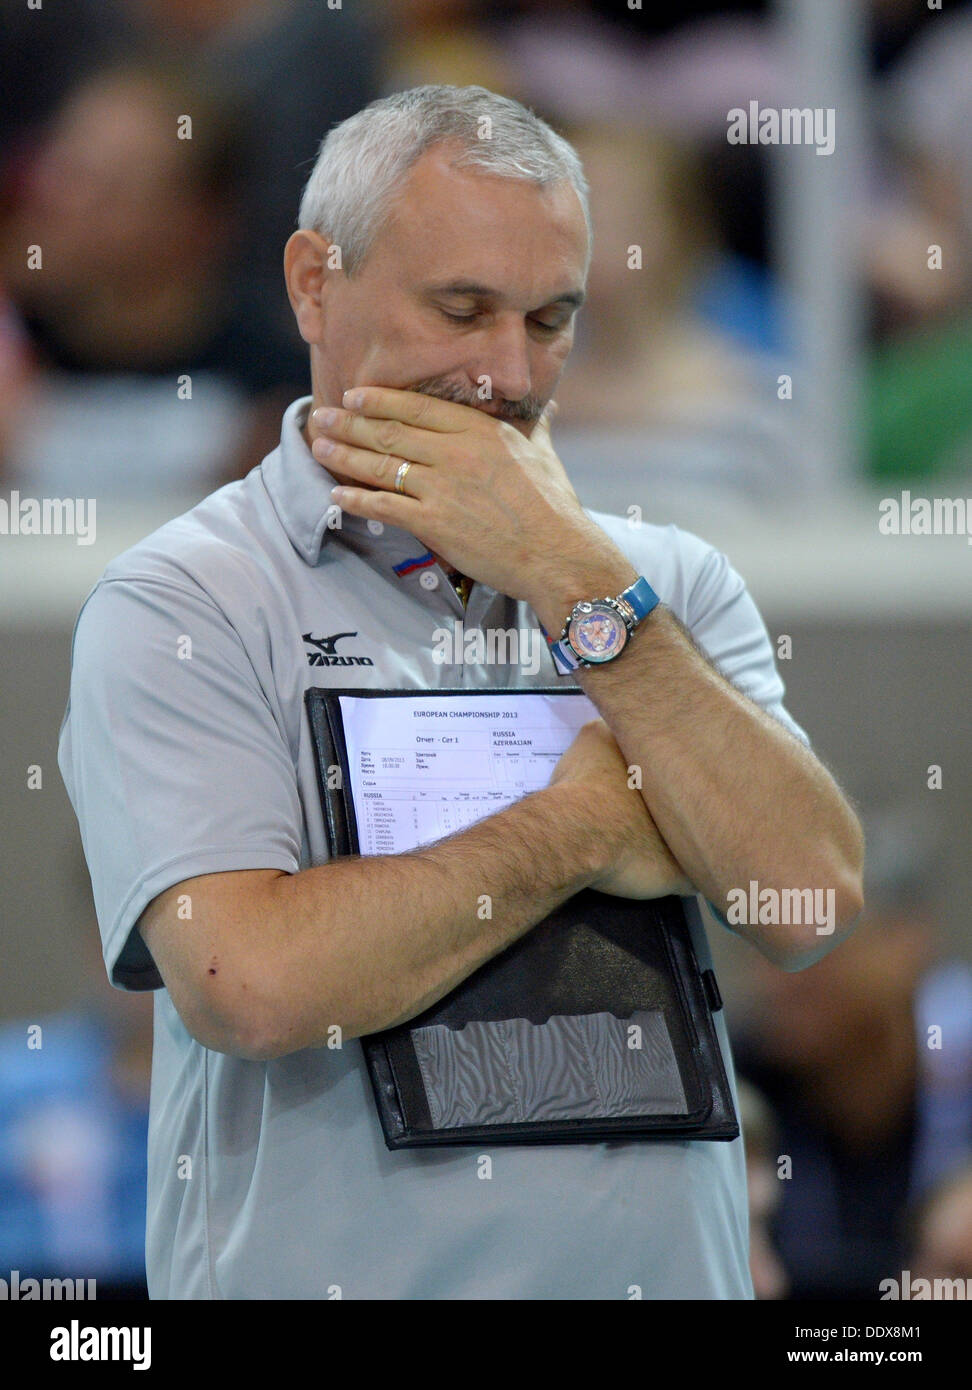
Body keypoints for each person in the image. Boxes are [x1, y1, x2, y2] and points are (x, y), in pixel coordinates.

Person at [58, 84, 864, 1300]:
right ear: (313, 283)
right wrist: (588, 822)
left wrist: (572, 573)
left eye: (550, 319)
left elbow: (808, 897)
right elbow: (251, 984)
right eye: (462, 308)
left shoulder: (665, 586)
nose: (505, 371)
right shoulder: (184, 603)